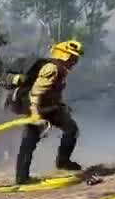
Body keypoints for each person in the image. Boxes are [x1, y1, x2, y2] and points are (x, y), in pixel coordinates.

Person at [15, 39, 83, 185]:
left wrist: (61, 105)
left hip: (51, 108)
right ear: (64, 55)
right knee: (29, 142)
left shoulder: (61, 69)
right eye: (72, 57)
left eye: (75, 58)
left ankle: (63, 162)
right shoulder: (52, 68)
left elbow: (53, 92)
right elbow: (36, 93)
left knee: (71, 128)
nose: (74, 61)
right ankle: (21, 178)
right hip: (36, 108)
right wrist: (35, 114)